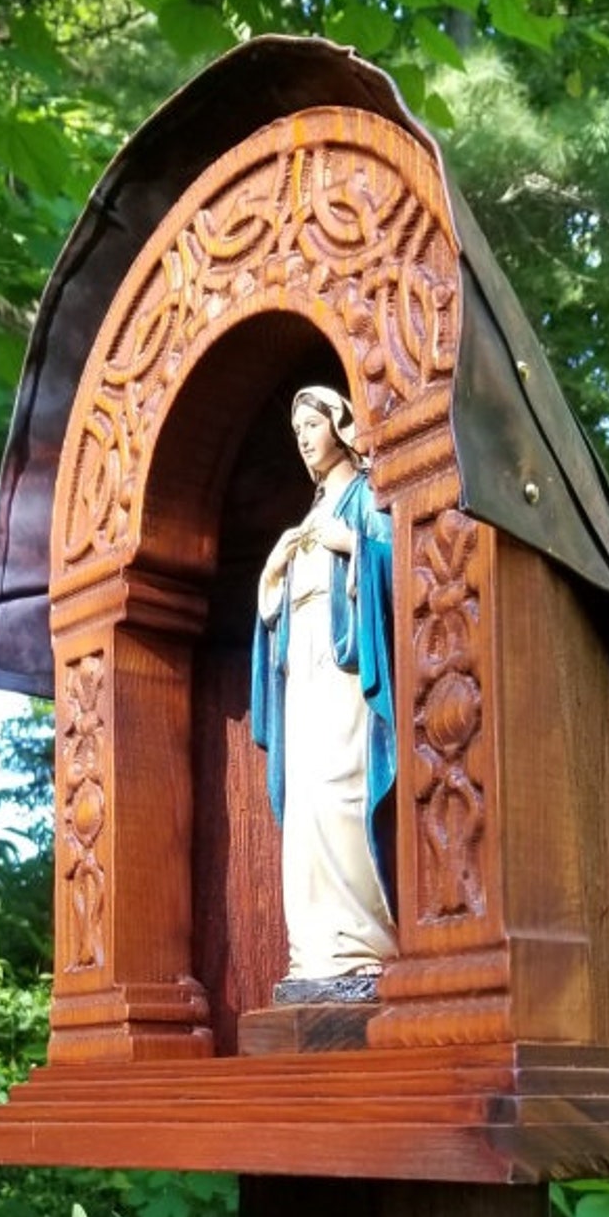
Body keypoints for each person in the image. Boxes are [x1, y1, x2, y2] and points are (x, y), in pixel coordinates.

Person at [250, 386, 397, 1003]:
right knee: (305, 805)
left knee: (342, 791)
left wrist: (354, 548)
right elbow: (272, 618)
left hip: (345, 675)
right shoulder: (303, 521)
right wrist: (272, 579)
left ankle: (365, 949)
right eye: (297, 429)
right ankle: (313, 954)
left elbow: (399, 566)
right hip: (302, 677)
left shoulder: (363, 500)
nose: (304, 438)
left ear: (339, 426)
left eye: (313, 424)